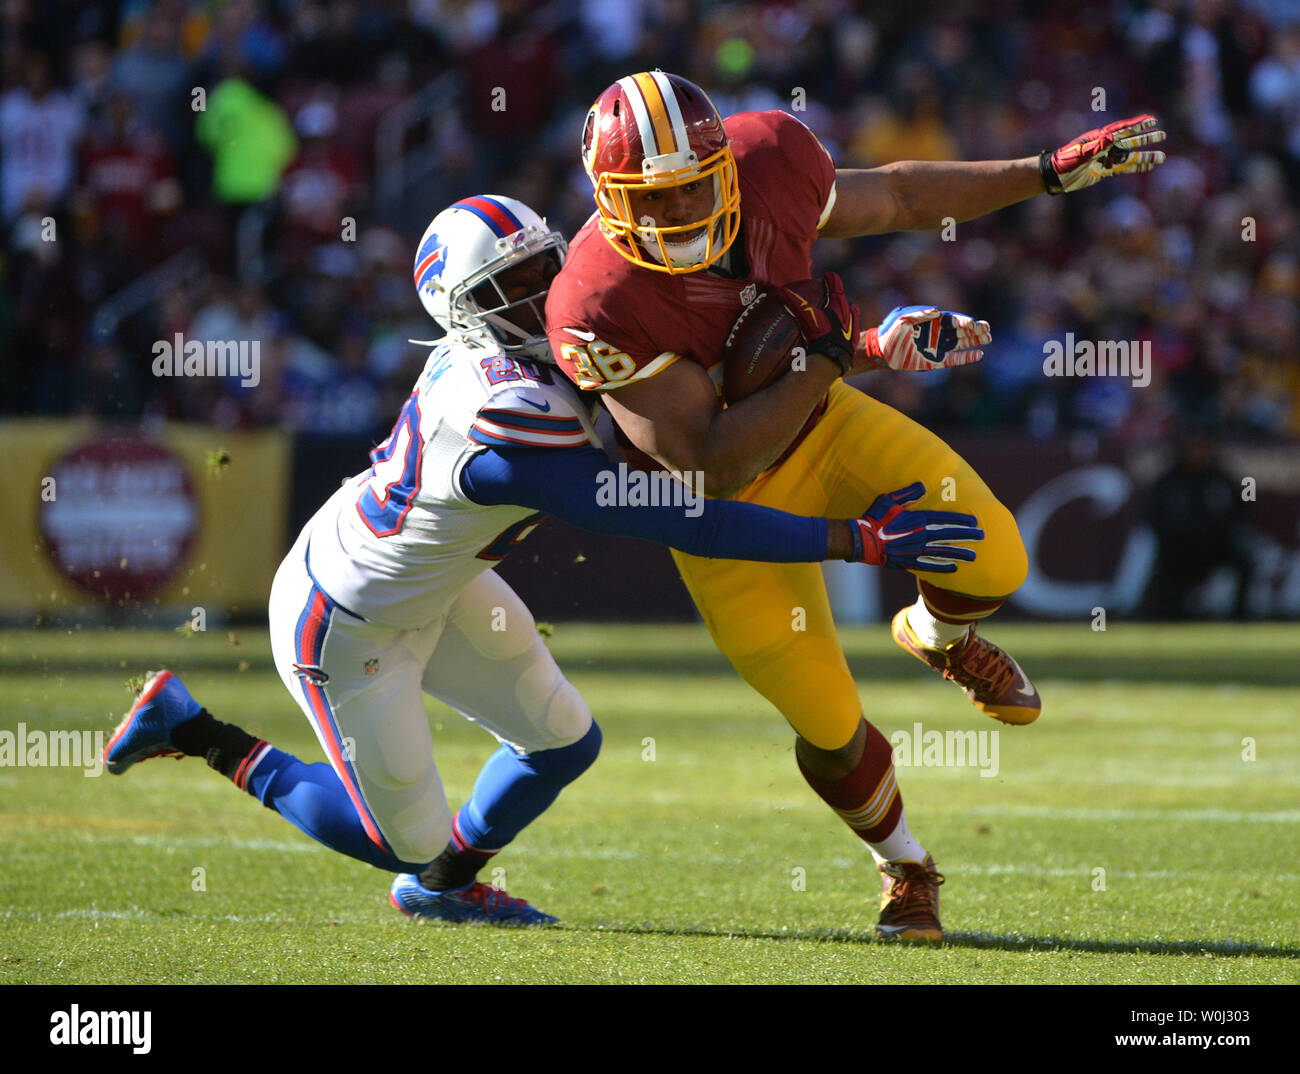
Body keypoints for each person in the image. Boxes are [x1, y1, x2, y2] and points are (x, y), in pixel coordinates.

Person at [103, 194, 984, 926]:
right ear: (466, 313)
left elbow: (711, 370)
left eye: (542, 268)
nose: (541, 294)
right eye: (510, 286)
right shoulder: (504, 425)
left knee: (562, 742)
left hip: (438, 582)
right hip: (344, 616)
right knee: (398, 838)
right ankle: (196, 729)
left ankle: (441, 889)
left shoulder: (553, 342)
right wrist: (850, 539)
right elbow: (678, 515)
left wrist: (871, 345)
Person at [545, 71, 1167, 940]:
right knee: (830, 723)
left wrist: (1043, 173)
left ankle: (938, 635)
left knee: (996, 558)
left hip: (825, 428)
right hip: (726, 513)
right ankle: (905, 865)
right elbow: (715, 462)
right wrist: (847, 353)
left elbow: (902, 193)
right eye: (657, 196)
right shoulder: (592, 301)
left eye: (696, 181)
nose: (682, 207)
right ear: (609, 198)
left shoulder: (771, 158)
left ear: (727, 162)